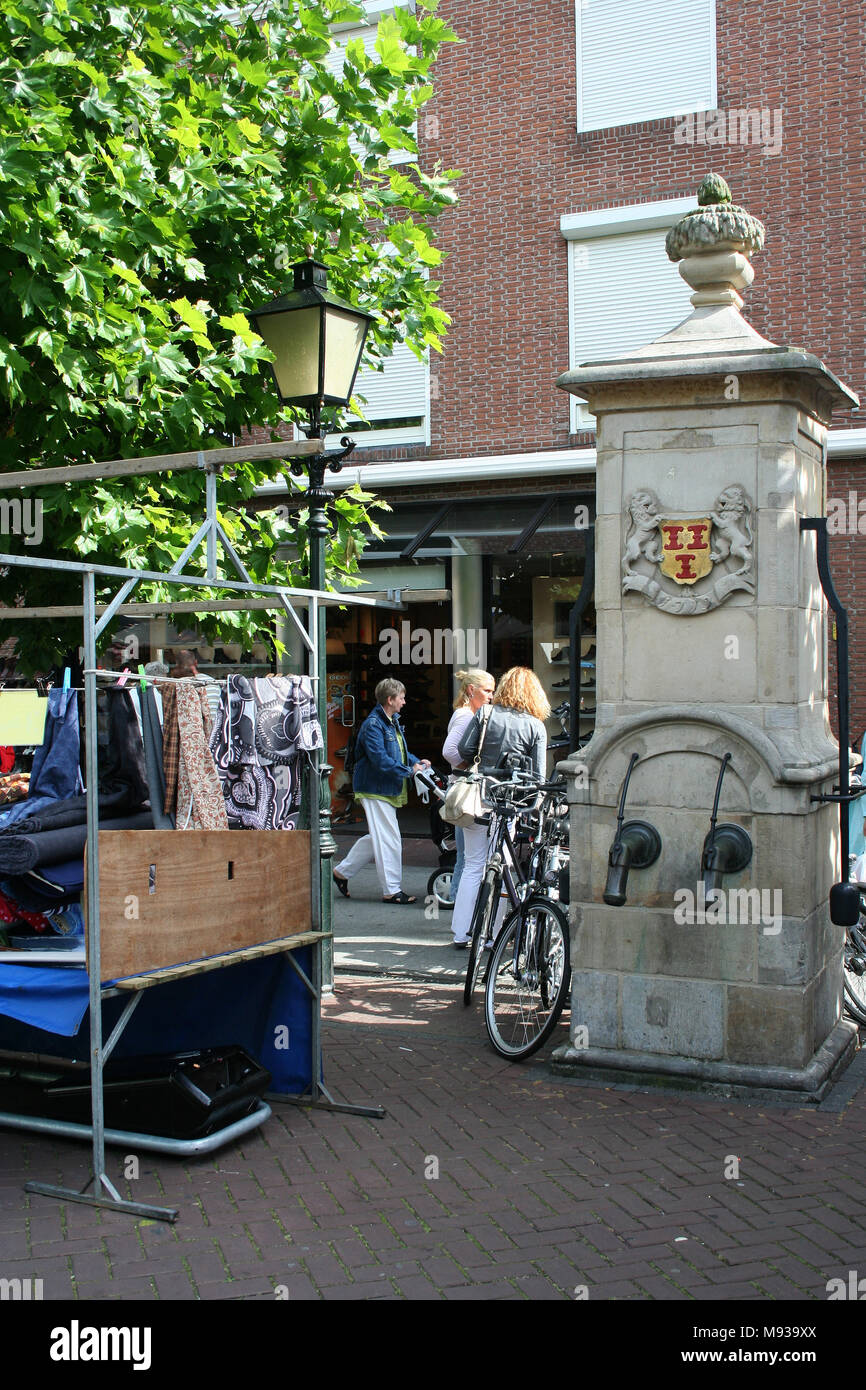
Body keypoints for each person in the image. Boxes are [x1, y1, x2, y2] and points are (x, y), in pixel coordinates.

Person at [450, 666, 550, 949]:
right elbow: (538, 778)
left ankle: (461, 932)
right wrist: (533, 808)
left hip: (478, 797)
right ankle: (493, 936)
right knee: (503, 866)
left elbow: (465, 751)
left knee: (472, 864)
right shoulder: (536, 726)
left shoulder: (485, 713)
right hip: (509, 802)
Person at [333, 678, 431, 904]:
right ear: (390, 699)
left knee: (378, 836)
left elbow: (400, 752)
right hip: (373, 788)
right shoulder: (373, 725)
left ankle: (341, 873)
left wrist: (419, 762)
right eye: (401, 698)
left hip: (381, 786)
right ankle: (391, 890)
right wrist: (409, 770)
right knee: (390, 839)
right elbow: (380, 759)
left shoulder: (390, 721)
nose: (404, 702)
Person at [441, 667, 496, 907]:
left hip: (463, 787)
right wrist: (470, 766)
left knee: (466, 854)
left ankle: (459, 903)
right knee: (466, 856)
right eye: (487, 691)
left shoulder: (466, 713)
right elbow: (449, 750)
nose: (491, 696)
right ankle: (459, 903)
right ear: (471, 690)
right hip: (465, 790)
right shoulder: (465, 716)